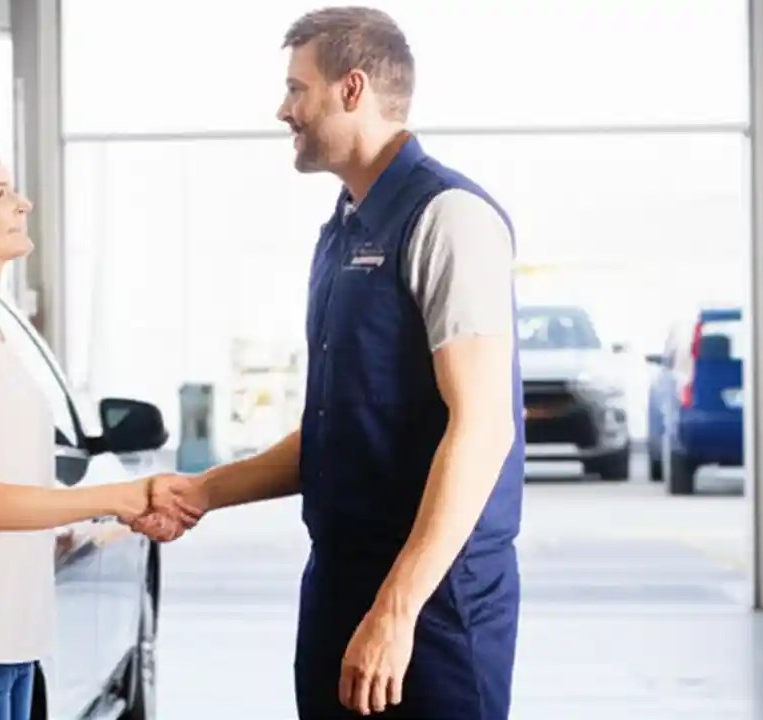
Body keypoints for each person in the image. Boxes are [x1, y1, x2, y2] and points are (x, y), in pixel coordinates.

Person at [132, 7, 525, 719]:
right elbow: (340, 433)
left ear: (351, 89)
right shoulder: (343, 231)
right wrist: (204, 490)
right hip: (340, 580)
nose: (283, 110)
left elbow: (483, 429)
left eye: (295, 89)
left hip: (434, 599)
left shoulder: (450, 219)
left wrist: (398, 610)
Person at [0, 144, 200, 720]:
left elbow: (18, 485)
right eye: (0, 195)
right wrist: (121, 496)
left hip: (11, 631)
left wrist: (102, 519)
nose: (23, 204)